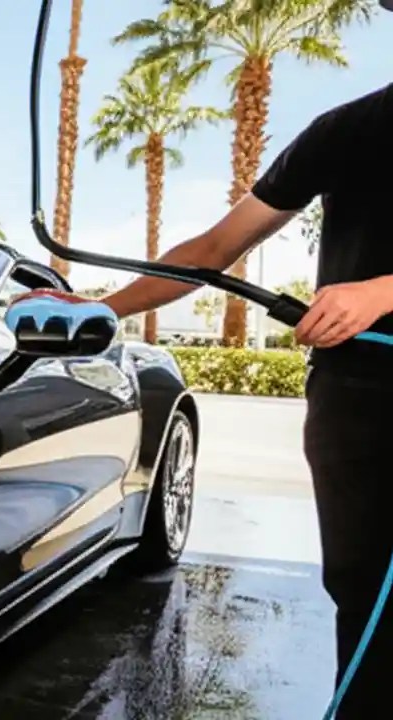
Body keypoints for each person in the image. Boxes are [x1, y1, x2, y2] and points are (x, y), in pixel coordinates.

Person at [27, 78, 393, 718]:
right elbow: (212, 251)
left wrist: (381, 292)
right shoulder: (344, 131)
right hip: (354, 399)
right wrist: (99, 307)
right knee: (363, 597)